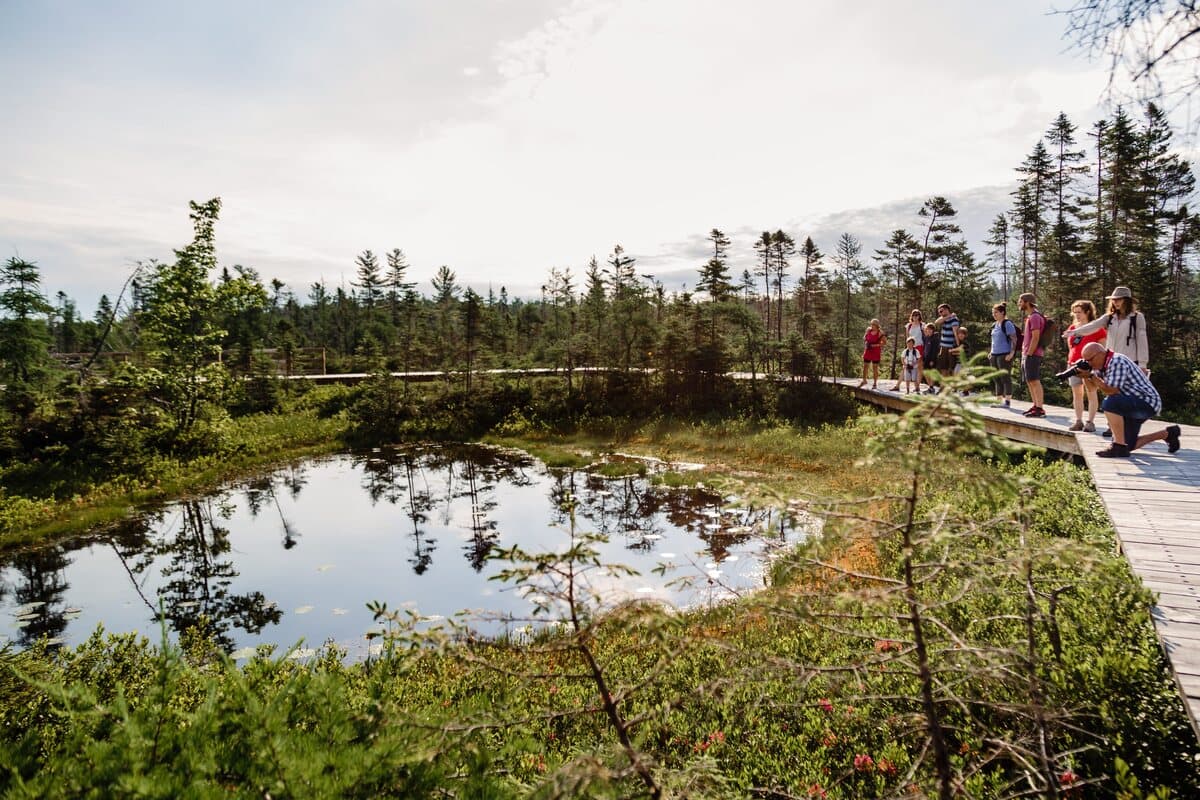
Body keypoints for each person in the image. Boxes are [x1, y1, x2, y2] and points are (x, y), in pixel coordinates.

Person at [1064, 286, 1150, 437]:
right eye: (1113, 300)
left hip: (1130, 362)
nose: (1115, 302)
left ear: (1127, 301)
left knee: (1126, 395)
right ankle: (1112, 426)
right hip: (1111, 361)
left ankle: (1126, 427)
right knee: (1110, 392)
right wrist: (1075, 332)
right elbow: (1093, 326)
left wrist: (1142, 364)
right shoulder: (1109, 317)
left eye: (1119, 299)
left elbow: (1142, 340)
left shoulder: (1137, 317)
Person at [1077, 342, 1180, 457]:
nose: (1088, 363)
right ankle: (1168, 434)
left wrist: (1091, 376)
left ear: (1100, 354)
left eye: (1090, 360)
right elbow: (1092, 389)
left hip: (1147, 402)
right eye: (1086, 361)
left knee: (1109, 403)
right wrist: (1085, 376)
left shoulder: (1117, 361)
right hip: (1130, 404)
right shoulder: (1100, 366)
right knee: (1128, 446)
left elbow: (1112, 391)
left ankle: (1118, 446)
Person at [1064, 300, 1107, 432]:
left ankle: (1090, 422)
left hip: (1090, 366)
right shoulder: (1072, 328)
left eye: (1079, 312)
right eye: (1075, 312)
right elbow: (1071, 347)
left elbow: (1102, 348)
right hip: (1073, 364)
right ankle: (1078, 421)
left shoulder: (1097, 329)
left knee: (1091, 392)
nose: (1076, 315)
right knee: (1077, 393)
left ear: (1087, 312)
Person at [1018, 292, 1047, 418]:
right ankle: (1035, 405)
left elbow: (1036, 337)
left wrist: (1029, 353)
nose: (1019, 303)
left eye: (1020, 301)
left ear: (1027, 302)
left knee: (1035, 380)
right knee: (1030, 381)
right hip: (1028, 353)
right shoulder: (1031, 316)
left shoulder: (1035, 317)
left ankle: (1040, 408)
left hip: (1033, 354)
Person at [988, 302, 1018, 408]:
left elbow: (1014, 338)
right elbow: (994, 340)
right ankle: (998, 400)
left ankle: (1007, 402)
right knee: (996, 378)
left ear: (1002, 312)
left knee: (1005, 377)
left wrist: (1012, 353)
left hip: (1004, 354)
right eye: (993, 312)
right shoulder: (994, 325)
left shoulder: (1007, 324)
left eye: (996, 312)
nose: (994, 314)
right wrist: (990, 353)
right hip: (994, 355)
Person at [901, 310, 926, 390]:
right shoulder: (908, 326)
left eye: (917, 315)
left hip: (919, 347)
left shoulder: (922, 325)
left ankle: (917, 386)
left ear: (919, 316)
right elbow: (907, 338)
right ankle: (898, 385)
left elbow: (925, 337)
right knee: (905, 366)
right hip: (910, 348)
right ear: (911, 316)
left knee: (919, 367)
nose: (915, 317)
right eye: (914, 315)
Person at [859, 319, 886, 389]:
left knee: (875, 367)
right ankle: (864, 380)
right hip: (868, 351)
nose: (872, 326)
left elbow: (884, 342)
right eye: (871, 324)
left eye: (873, 324)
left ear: (877, 325)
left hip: (875, 352)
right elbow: (864, 337)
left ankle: (875, 383)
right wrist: (866, 342)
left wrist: (875, 345)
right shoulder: (868, 330)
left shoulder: (880, 333)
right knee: (865, 366)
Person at [935, 304, 960, 378]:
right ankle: (944, 385)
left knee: (951, 367)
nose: (940, 313)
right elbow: (936, 322)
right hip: (943, 347)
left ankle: (952, 386)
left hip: (951, 347)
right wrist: (949, 316)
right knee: (943, 367)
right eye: (939, 312)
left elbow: (955, 333)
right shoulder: (945, 319)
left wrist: (958, 347)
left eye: (941, 311)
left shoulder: (954, 319)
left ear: (946, 310)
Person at [922, 322, 940, 393]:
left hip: (932, 359)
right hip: (926, 358)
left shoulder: (935, 339)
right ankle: (930, 387)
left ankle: (932, 387)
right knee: (925, 373)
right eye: (927, 329)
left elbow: (935, 350)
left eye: (930, 329)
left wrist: (932, 360)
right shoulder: (926, 338)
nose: (929, 330)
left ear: (933, 330)